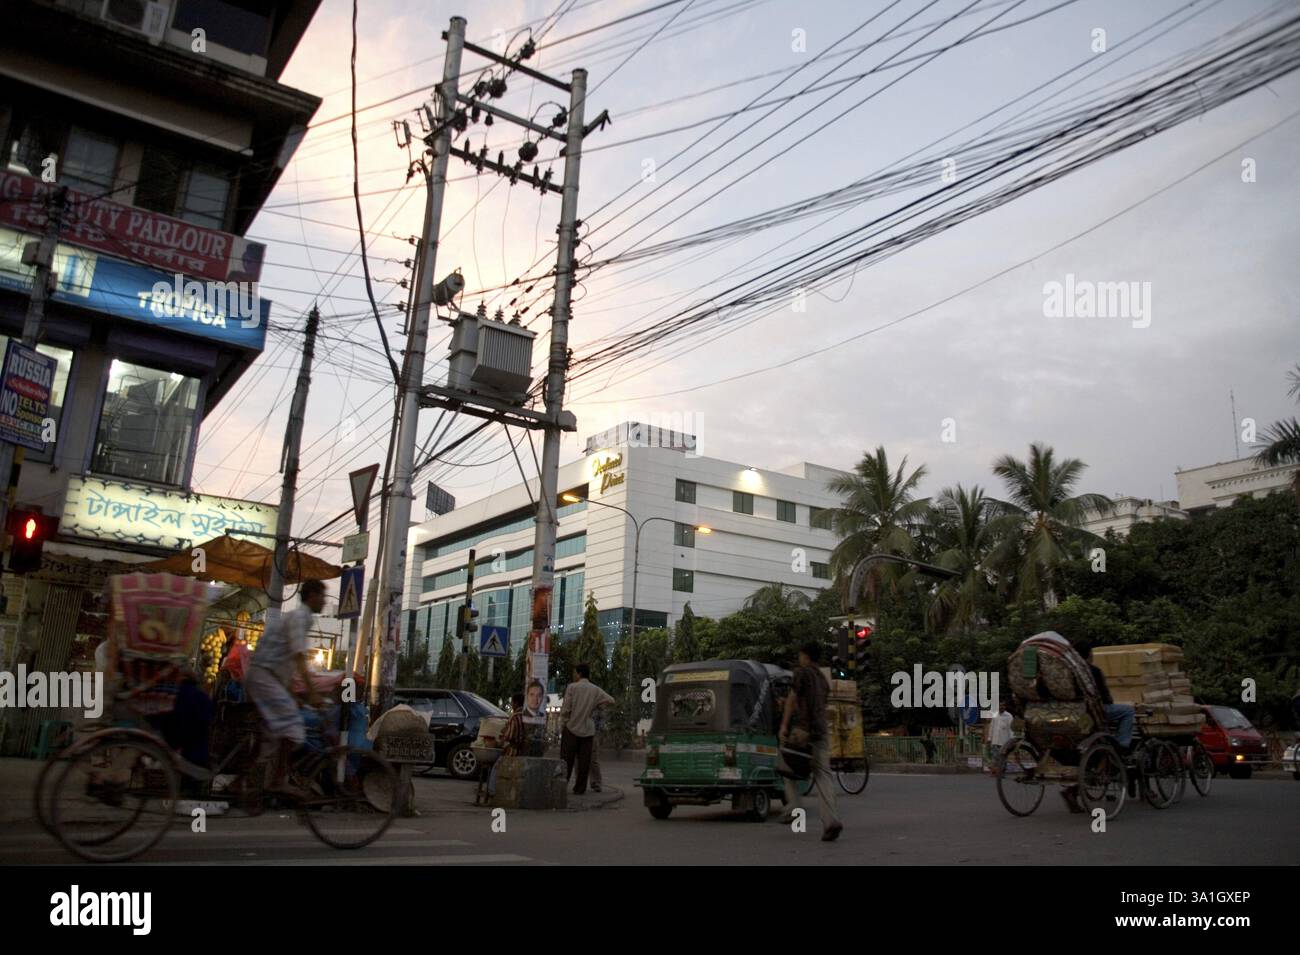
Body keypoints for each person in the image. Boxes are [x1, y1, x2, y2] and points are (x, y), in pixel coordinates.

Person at [245, 580, 325, 795]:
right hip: (263, 676)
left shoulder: (299, 618)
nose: (324, 601)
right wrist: (313, 693)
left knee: (272, 732)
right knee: (293, 727)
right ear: (312, 596)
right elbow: (299, 657)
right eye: (322, 596)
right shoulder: (300, 617)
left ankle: (243, 782)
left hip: (265, 676)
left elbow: (288, 661)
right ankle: (278, 780)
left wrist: (293, 694)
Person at [779, 641, 843, 841]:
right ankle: (831, 820)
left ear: (805, 656)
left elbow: (793, 698)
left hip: (802, 731)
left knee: (786, 767)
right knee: (823, 776)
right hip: (821, 732)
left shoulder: (802, 673)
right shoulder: (823, 679)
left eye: (800, 655)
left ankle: (794, 808)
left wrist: (784, 725)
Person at [559, 664, 613, 795]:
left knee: (566, 761)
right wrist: (596, 705)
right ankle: (579, 789)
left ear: (579, 673)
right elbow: (611, 700)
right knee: (585, 763)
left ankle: (561, 787)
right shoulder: (595, 689)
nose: (573, 675)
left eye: (574, 673)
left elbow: (566, 709)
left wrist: (564, 723)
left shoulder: (572, 687)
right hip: (588, 731)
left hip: (571, 728)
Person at [1084, 646, 1135, 753]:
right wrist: (1109, 702)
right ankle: (1122, 744)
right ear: (1089, 654)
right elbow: (1105, 694)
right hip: (1094, 710)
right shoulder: (1093, 670)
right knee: (1128, 710)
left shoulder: (1068, 671)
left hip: (1074, 711)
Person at [489, 692, 528, 798]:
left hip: (513, 751)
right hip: (523, 751)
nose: (511, 705)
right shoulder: (527, 716)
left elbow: (508, 736)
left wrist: (498, 742)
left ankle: (492, 792)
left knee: (496, 768)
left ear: (516, 703)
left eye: (512, 703)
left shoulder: (514, 717)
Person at [985, 699, 1013, 774]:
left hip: (1004, 741)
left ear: (1005, 706)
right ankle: (996, 772)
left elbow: (1011, 729)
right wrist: (989, 738)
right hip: (995, 740)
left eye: (1003, 705)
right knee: (995, 757)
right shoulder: (995, 715)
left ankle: (1002, 772)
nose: (1002, 707)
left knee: (1003, 758)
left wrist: (1011, 741)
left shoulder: (1009, 716)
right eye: (1000, 705)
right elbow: (992, 727)